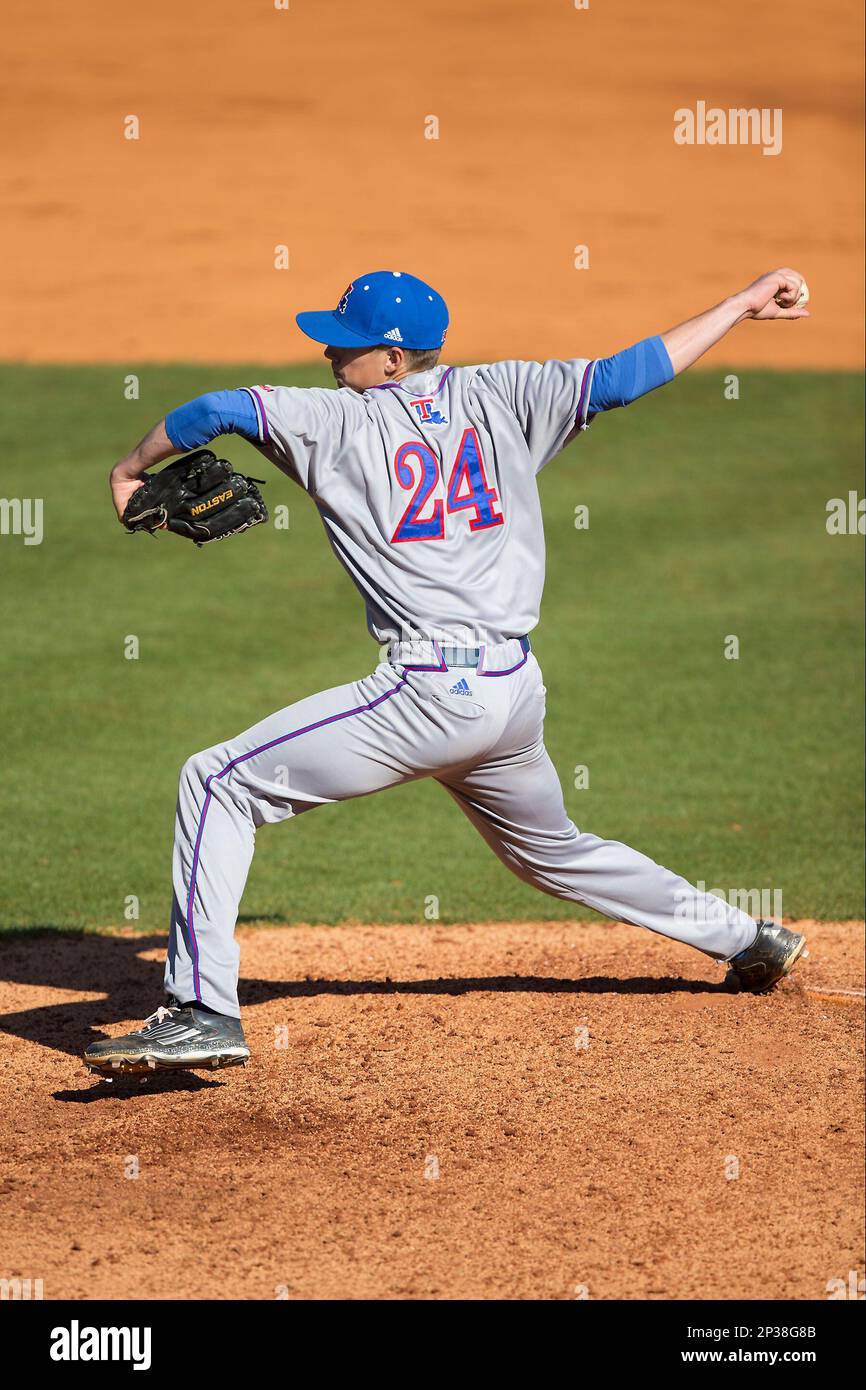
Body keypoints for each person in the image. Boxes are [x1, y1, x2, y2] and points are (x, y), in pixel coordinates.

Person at [85, 267, 810, 1074]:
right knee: (554, 852)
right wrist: (741, 306)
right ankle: (749, 938)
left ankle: (200, 1010)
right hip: (513, 695)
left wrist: (127, 471)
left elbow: (213, 411)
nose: (329, 350)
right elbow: (630, 373)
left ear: (393, 360)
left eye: (347, 342)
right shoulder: (508, 391)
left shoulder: (329, 418)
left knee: (215, 782)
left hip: (427, 695)